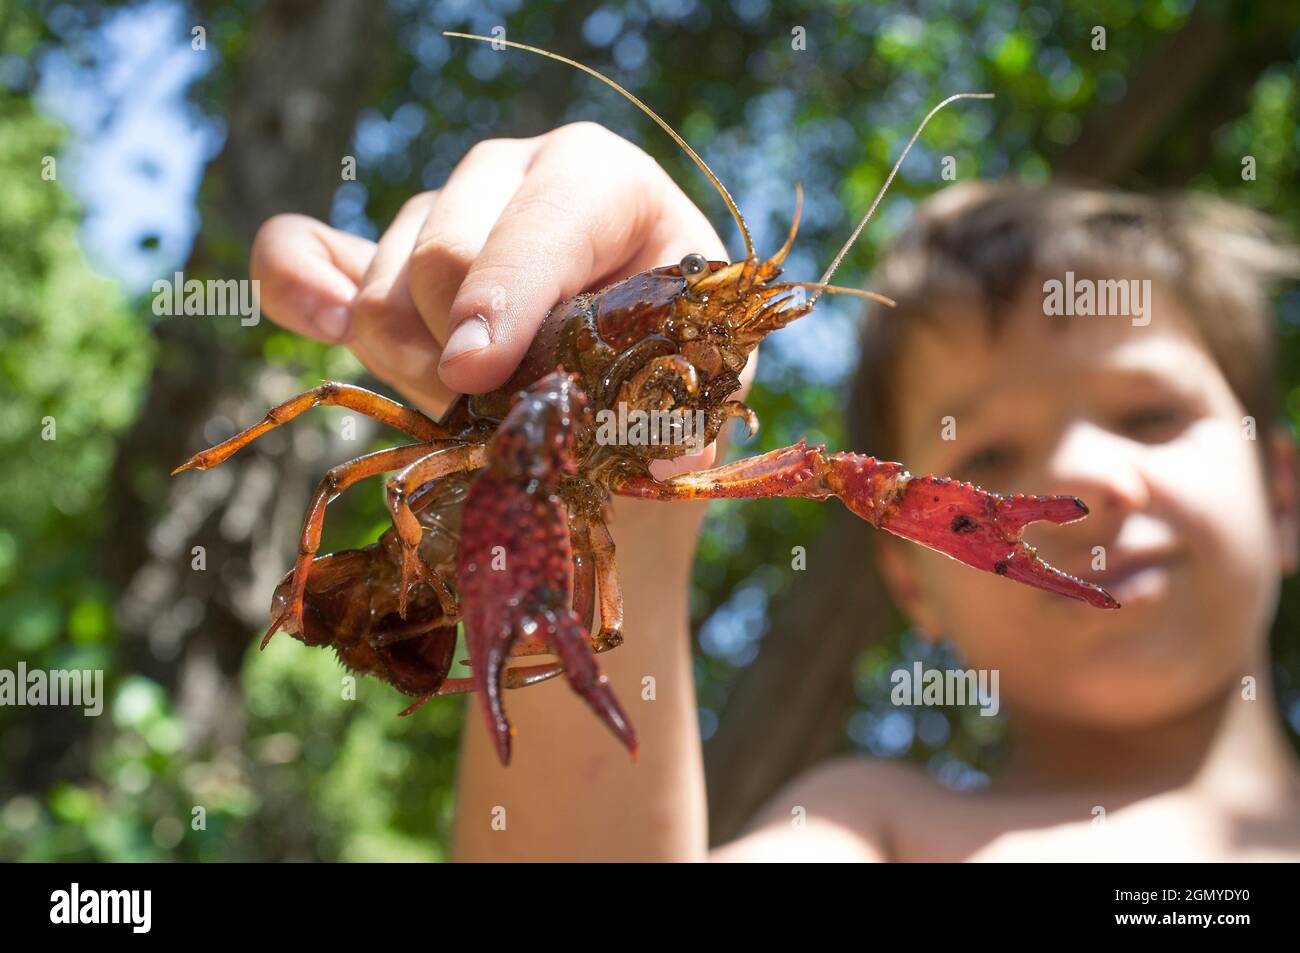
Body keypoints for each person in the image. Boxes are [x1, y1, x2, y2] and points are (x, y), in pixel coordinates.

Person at [248, 121, 1300, 861]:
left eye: (1149, 415)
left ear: (1284, 487)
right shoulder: (872, 830)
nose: (1083, 473)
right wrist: (639, 505)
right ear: (911, 579)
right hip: (475, 494)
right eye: (987, 450)